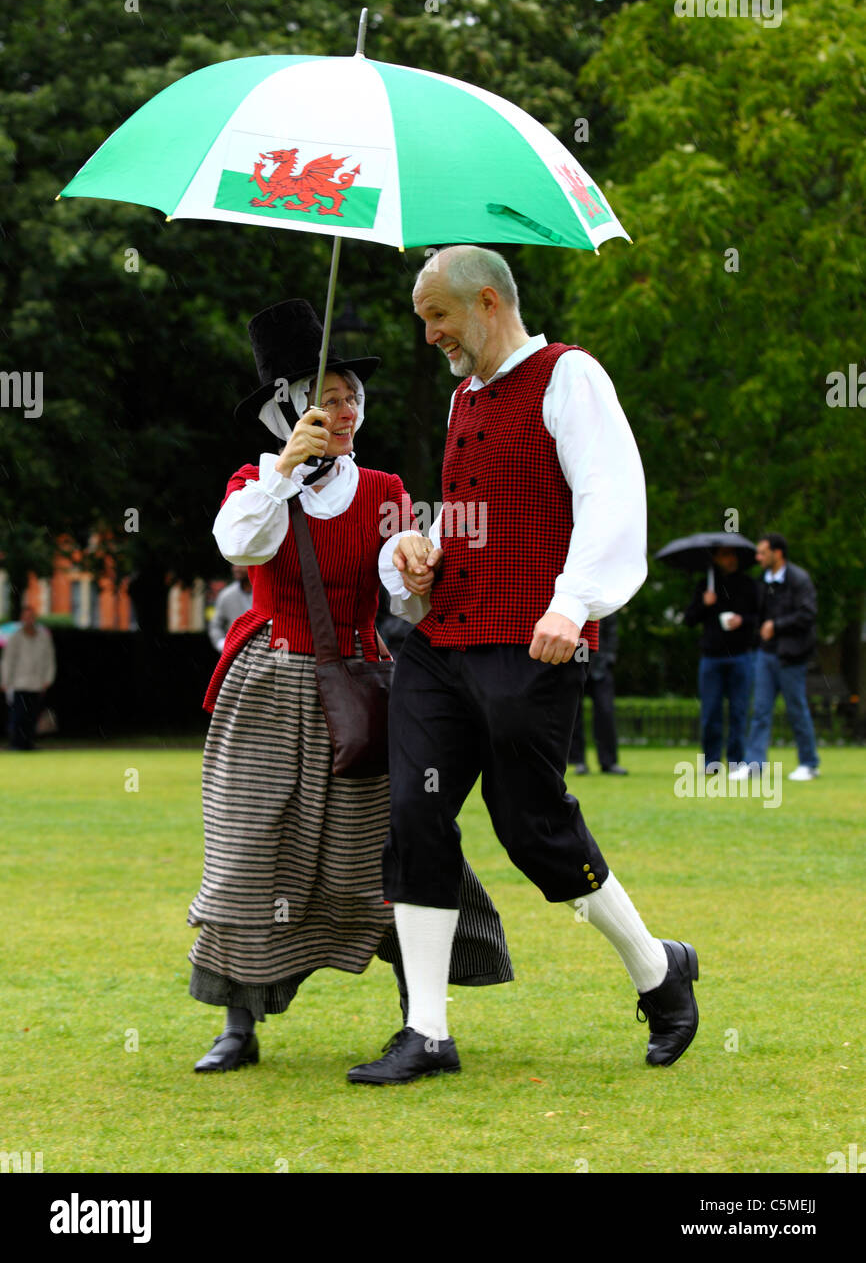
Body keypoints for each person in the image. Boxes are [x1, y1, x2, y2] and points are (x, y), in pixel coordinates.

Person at [349, 245, 700, 1086]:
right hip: (441, 644)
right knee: (413, 816)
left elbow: (610, 494)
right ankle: (426, 1031)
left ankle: (658, 970)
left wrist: (572, 604)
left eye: (436, 315)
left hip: (532, 640)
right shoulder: (463, 397)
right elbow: (476, 514)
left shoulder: (569, 377)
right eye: (422, 319)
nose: (428, 333)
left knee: (530, 826)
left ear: (487, 301)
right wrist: (421, 553)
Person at [187, 298, 512, 1073]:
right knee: (248, 846)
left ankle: (419, 1015)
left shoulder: (386, 489)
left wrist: (416, 567)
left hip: (362, 694)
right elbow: (239, 544)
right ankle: (239, 1022)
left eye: (352, 396)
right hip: (265, 688)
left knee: (384, 846)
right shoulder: (255, 481)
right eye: (328, 397)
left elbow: (403, 596)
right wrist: (286, 470)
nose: (346, 409)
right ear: (287, 405)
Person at [731, 533, 820, 782]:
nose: (757, 557)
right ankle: (755, 764)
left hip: (792, 656)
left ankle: (809, 763)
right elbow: (758, 616)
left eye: (762, 552)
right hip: (765, 654)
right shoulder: (763, 581)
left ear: (777, 553)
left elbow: (807, 614)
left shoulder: (799, 580)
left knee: (796, 710)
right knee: (760, 710)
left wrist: (777, 625)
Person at [683, 546, 758, 769]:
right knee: (710, 712)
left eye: (732, 554)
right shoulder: (705, 585)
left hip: (741, 656)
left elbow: (758, 617)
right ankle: (711, 761)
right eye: (724, 554)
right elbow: (688, 620)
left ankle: (736, 761)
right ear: (715, 559)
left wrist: (742, 621)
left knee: (739, 711)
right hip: (711, 657)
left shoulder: (748, 585)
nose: (730, 559)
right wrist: (703, 604)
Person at [568, 613, 627, 774]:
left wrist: (609, 659)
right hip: (576, 663)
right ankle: (578, 761)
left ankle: (608, 762)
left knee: (605, 712)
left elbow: (612, 633)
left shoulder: (604, 602)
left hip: (601, 666)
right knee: (574, 714)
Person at [1, 605, 56, 751]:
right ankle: (16, 744)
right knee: (18, 716)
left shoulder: (43, 637)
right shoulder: (15, 638)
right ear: (22, 619)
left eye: (31, 617)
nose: (28, 620)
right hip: (18, 683)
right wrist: (5, 681)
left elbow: (49, 659)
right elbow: (8, 661)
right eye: (26, 617)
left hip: (37, 684)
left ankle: (28, 744)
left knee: (32, 716)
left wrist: (47, 679)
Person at [207, 566, 253, 653]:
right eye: (234, 565)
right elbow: (215, 625)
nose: (236, 569)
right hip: (235, 655)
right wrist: (222, 644)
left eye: (241, 565)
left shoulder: (266, 592)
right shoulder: (226, 595)